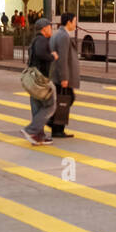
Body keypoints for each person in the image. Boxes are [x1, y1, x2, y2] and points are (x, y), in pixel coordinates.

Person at [21, 16, 58, 144]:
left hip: (34, 79)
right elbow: (42, 54)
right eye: (49, 27)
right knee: (50, 106)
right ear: (44, 28)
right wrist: (52, 56)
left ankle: (38, 135)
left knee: (37, 107)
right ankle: (31, 130)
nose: (51, 29)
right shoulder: (42, 40)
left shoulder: (36, 40)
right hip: (40, 79)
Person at [48, 11, 80, 137]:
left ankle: (56, 126)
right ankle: (55, 125)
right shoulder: (63, 36)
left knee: (64, 100)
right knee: (66, 99)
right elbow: (62, 59)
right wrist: (64, 78)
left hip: (58, 75)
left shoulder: (59, 34)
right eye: (75, 21)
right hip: (61, 76)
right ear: (69, 22)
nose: (75, 24)